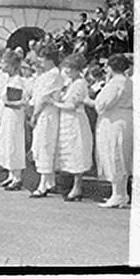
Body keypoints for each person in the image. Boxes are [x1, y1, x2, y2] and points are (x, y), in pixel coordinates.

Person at [86, 52, 133, 208]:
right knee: (122, 154)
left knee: (114, 154)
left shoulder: (115, 83)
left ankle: (118, 194)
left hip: (114, 121)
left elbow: (102, 104)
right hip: (124, 119)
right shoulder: (128, 82)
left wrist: (87, 100)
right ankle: (121, 193)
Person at [51, 53, 94, 201]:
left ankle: (77, 186)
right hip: (66, 120)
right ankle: (69, 184)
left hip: (75, 120)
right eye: (67, 67)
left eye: (71, 68)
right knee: (68, 151)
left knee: (77, 151)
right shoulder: (70, 82)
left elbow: (72, 105)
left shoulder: (80, 83)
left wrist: (54, 103)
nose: (68, 70)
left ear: (78, 69)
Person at [29, 45, 63, 197]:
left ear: (49, 60)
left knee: (45, 145)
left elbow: (44, 98)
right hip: (42, 113)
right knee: (39, 145)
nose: (40, 62)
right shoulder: (45, 75)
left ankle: (43, 184)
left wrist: (35, 115)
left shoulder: (54, 75)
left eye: (42, 59)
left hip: (47, 114)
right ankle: (50, 181)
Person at [0, 50, 27, 191]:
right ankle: (10, 174)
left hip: (14, 115)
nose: (2, 66)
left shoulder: (17, 81)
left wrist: (8, 102)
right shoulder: (8, 79)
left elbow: (20, 102)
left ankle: (17, 177)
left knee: (14, 143)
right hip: (7, 115)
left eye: (5, 63)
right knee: (6, 143)